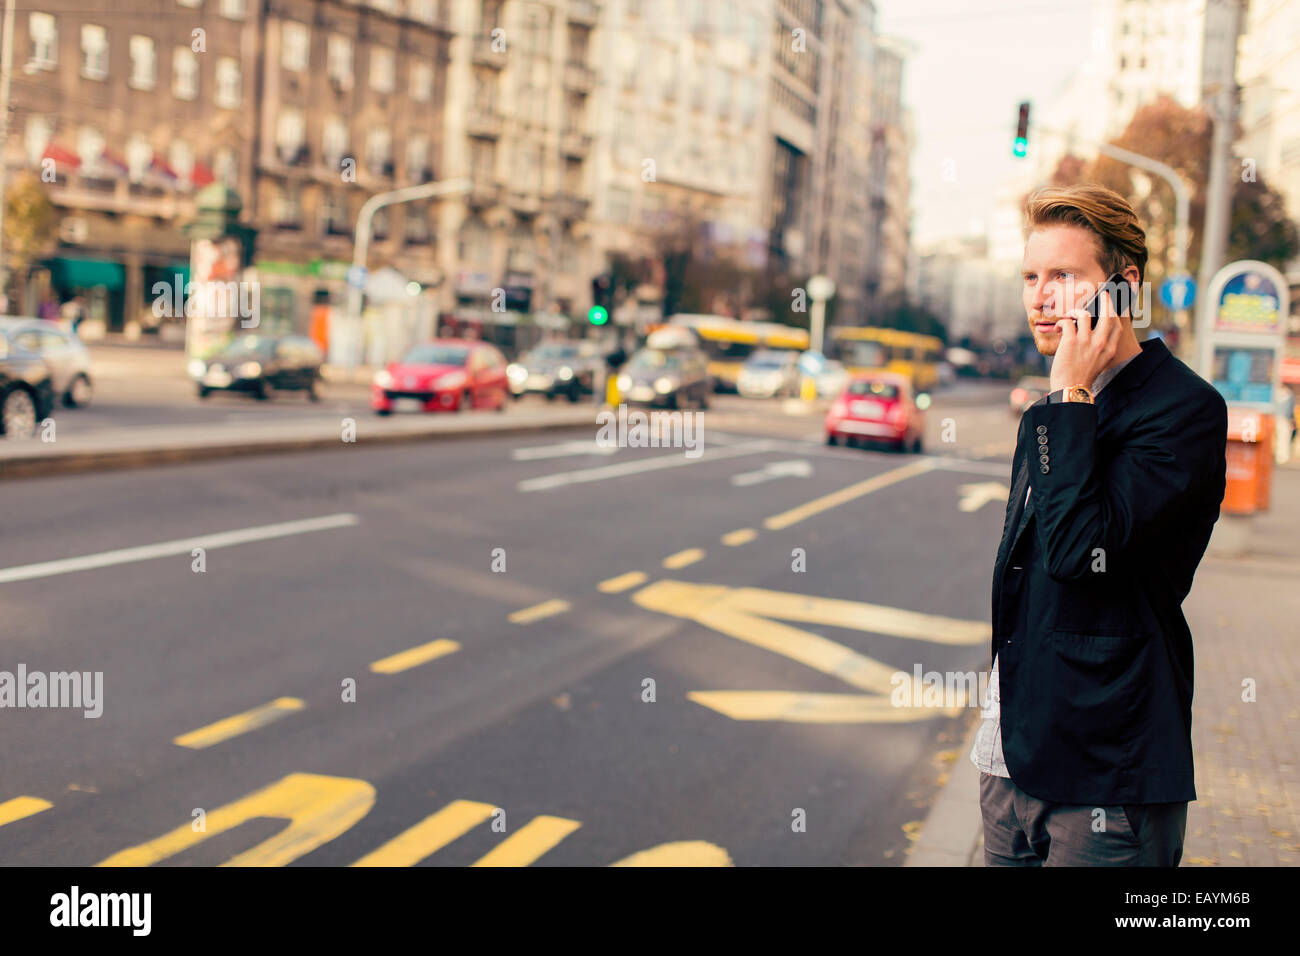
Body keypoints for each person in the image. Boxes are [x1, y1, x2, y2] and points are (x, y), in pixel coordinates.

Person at [973, 183, 1227, 866]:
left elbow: (1079, 552)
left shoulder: (1184, 411)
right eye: (1031, 276)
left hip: (1106, 773)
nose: (1041, 297)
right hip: (1010, 758)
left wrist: (1076, 394)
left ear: (1123, 287)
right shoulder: (1048, 413)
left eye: (1064, 276)